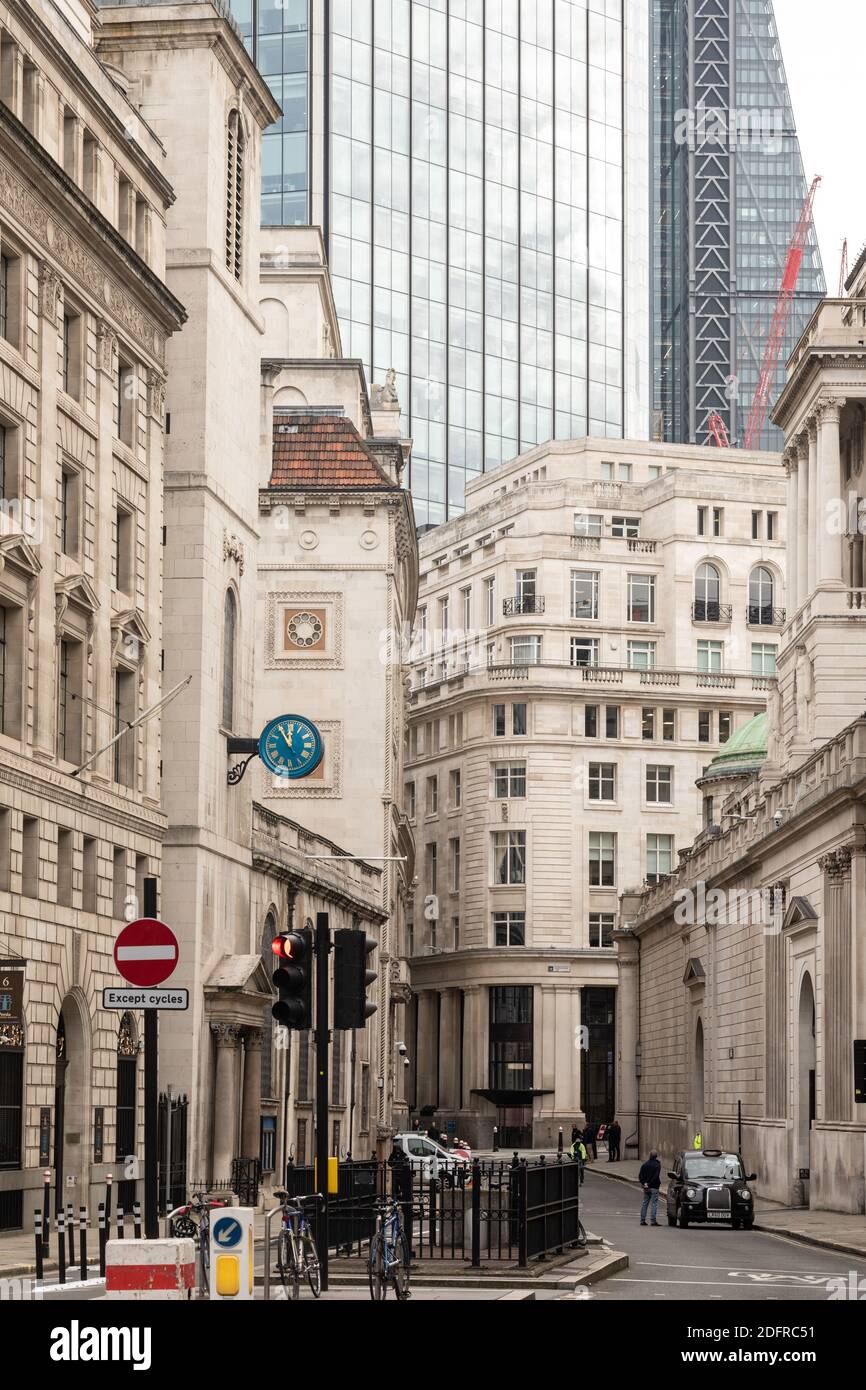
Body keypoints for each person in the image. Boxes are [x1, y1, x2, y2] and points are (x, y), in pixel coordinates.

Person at [638, 1149, 662, 1226]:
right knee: (654, 1204)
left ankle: (642, 1220)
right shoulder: (657, 1165)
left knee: (645, 1203)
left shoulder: (644, 1165)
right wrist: (649, 1184)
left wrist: (644, 1183)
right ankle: (653, 1221)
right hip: (654, 1187)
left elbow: (640, 1176)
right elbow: (656, 1176)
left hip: (646, 1187)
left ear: (650, 1156)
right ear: (656, 1156)